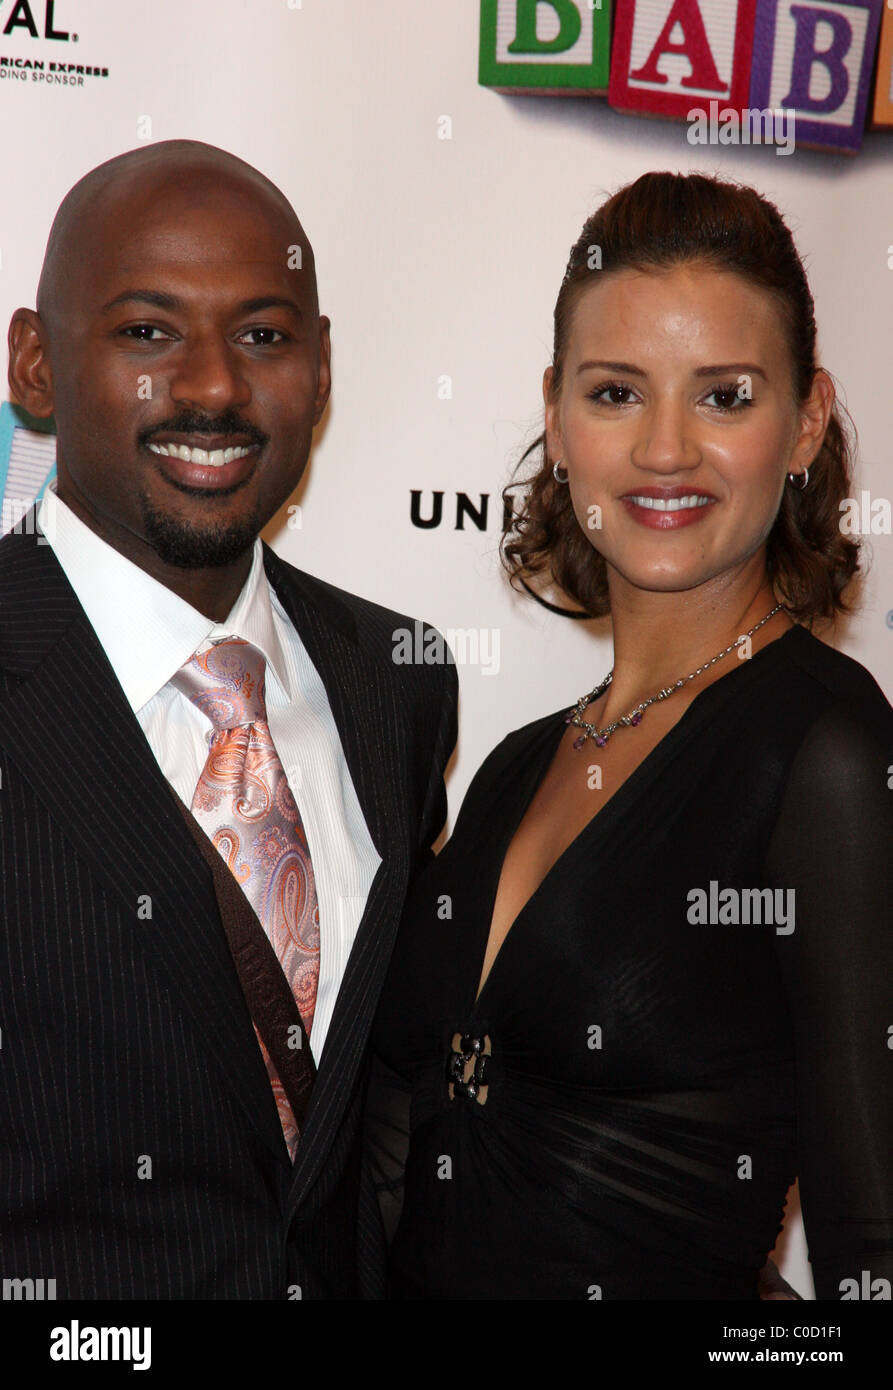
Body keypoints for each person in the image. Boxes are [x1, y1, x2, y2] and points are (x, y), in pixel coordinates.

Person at [368, 172, 893, 1300]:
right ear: (555, 415)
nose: (664, 450)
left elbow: (869, 1240)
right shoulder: (514, 765)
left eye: (723, 396)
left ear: (804, 422)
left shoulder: (827, 751)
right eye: (616, 392)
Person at [0, 140, 456, 1299]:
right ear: (36, 365)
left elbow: (382, 1100)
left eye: (264, 334)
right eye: (148, 331)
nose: (210, 387)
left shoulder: (395, 676)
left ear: (322, 369)